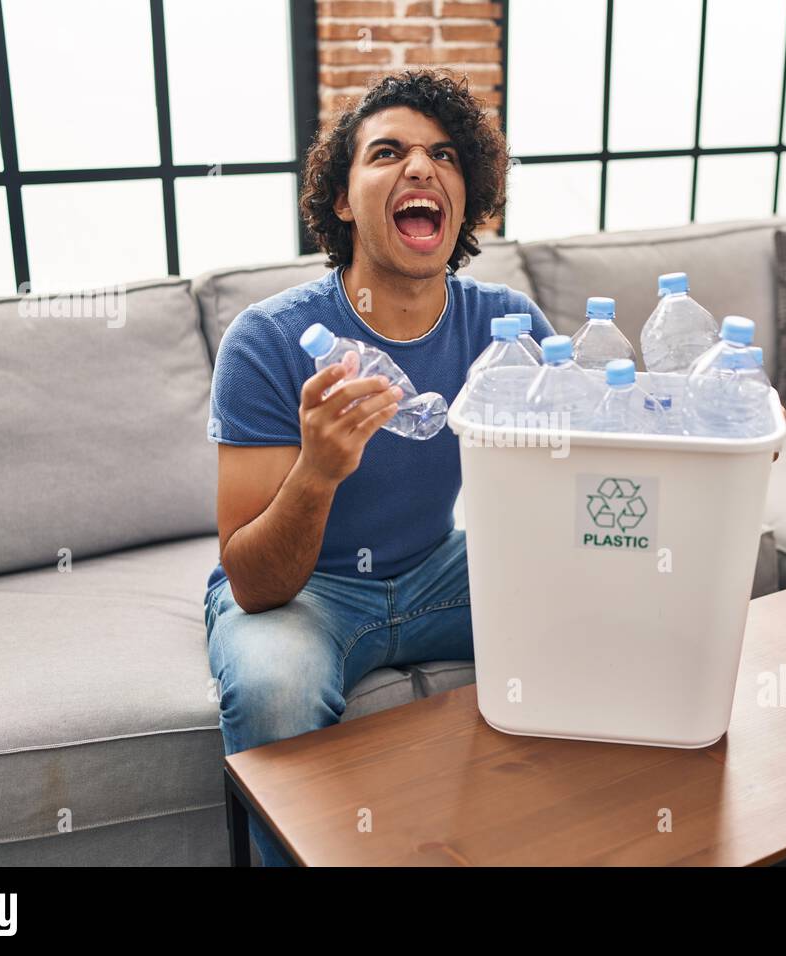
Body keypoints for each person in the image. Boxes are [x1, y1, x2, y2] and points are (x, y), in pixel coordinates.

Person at [203, 69, 555, 865]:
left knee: (597, 602)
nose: (422, 169)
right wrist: (319, 470)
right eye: (388, 152)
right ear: (341, 198)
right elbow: (254, 581)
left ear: (467, 197)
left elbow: (584, 462)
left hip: (441, 567)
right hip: (308, 594)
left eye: (444, 156)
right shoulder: (268, 341)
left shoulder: (509, 326)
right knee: (274, 687)